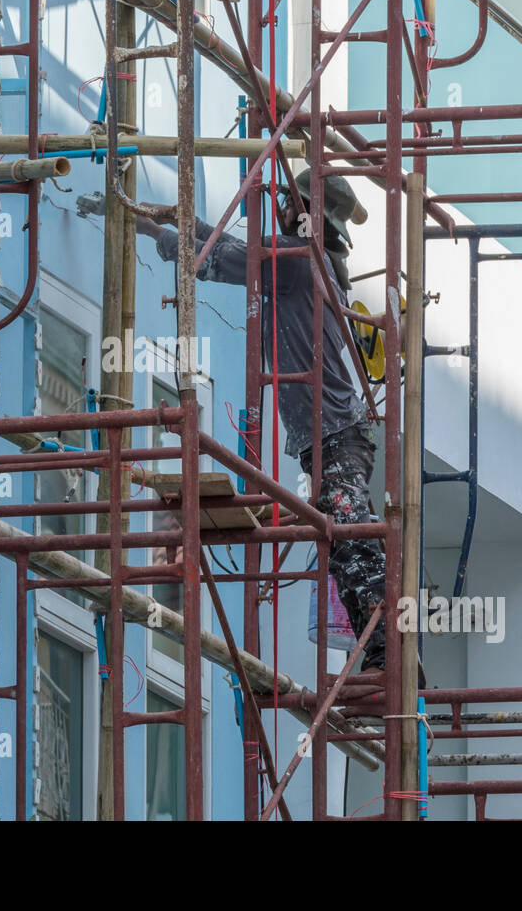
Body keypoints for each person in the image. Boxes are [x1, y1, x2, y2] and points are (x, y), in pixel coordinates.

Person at [98, 170, 387, 672]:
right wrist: (162, 224)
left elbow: (218, 259)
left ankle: (388, 648)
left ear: (296, 213)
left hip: (336, 431)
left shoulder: (297, 262)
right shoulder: (311, 262)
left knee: (349, 531)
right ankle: (382, 650)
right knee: (343, 534)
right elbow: (230, 246)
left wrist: (153, 231)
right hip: (335, 432)